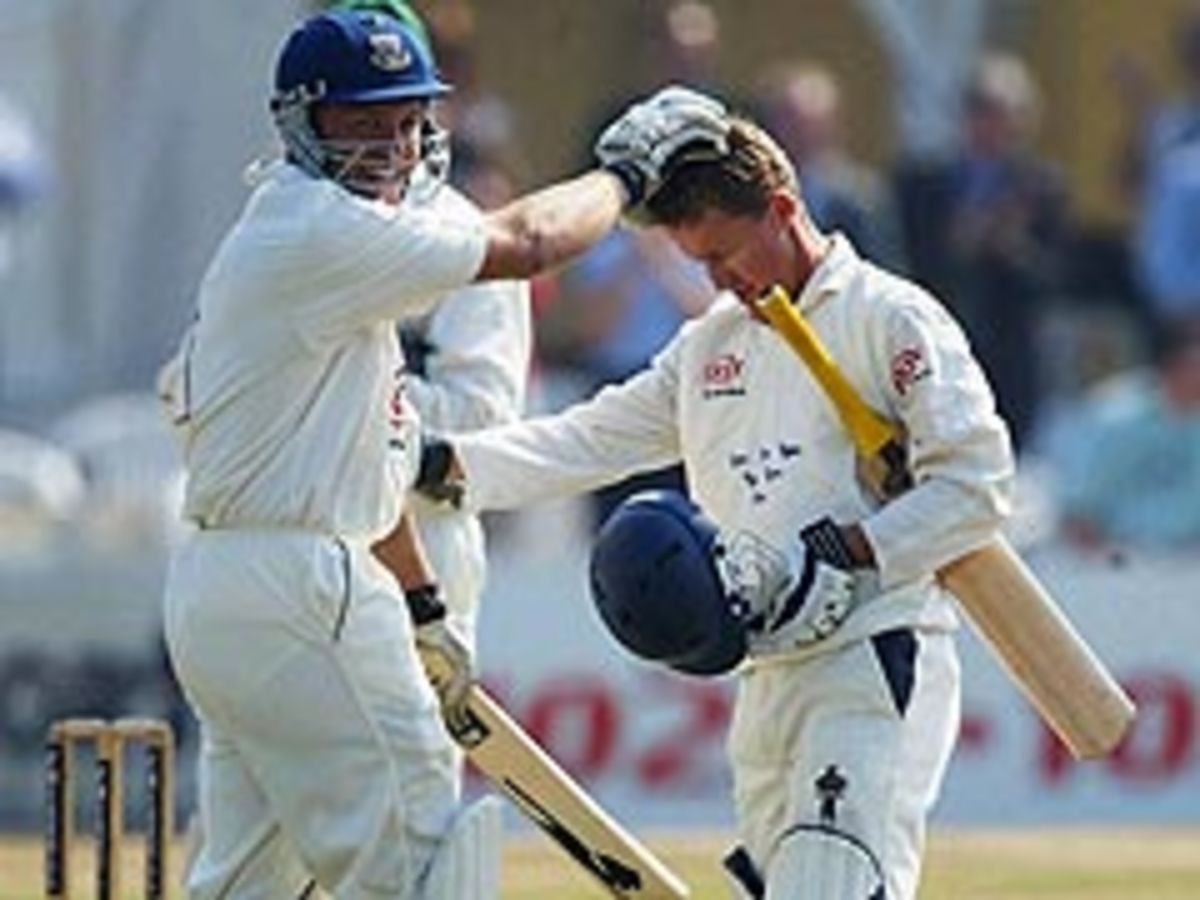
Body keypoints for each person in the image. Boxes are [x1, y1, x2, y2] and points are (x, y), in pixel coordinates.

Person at [157, 7, 727, 898]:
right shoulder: (321, 228)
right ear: (303, 125)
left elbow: (367, 461)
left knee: (248, 884)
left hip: (227, 597)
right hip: (303, 585)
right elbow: (531, 242)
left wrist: (422, 607)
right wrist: (623, 176)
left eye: (406, 119)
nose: (390, 144)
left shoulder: (324, 262)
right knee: (423, 861)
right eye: (361, 121)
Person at [418, 97, 1014, 899]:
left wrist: (856, 549)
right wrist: (436, 464)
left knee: (828, 879)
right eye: (702, 265)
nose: (722, 281)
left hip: (875, 651)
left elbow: (977, 485)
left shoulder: (890, 318)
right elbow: (585, 440)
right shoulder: (711, 345)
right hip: (765, 671)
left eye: (728, 254)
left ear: (781, 208)